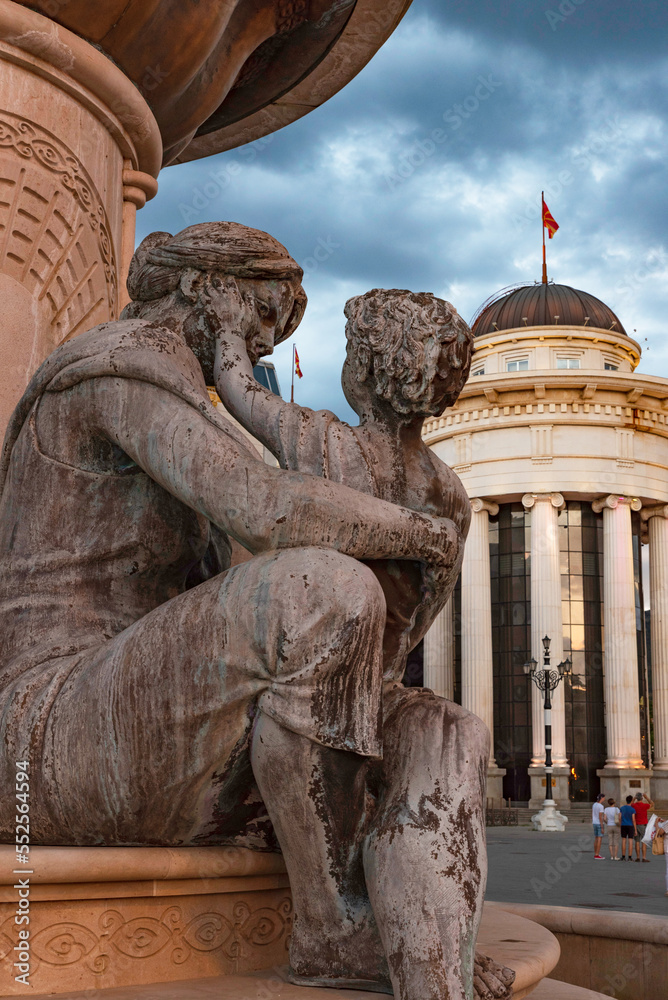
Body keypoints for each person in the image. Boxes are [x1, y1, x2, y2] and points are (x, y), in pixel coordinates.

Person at [0, 223, 513, 1000]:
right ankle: (331, 928)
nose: (268, 346)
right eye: (264, 316)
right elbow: (265, 509)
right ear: (208, 290)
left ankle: (429, 959)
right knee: (324, 591)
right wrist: (420, 533)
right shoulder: (120, 366)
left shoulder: (188, 397)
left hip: (135, 714)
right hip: (46, 729)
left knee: (444, 729)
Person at [214, 285, 473, 684]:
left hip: (310, 670)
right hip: (381, 676)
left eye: (352, 353)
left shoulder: (321, 438)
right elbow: (427, 609)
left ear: (364, 367)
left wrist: (230, 324)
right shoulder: (451, 493)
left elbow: (236, 387)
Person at [633, 791, 654, 862]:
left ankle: (638, 857)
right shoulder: (644, 805)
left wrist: (634, 798)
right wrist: (646, 797)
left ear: (637, 798)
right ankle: (644, 857)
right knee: (644, 841)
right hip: (643, 825)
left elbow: (630, 804)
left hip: (635, 825)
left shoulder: (634, 805)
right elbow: (652, 804)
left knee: (637, 841)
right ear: (642, 798)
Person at [619, 795, 637, 860]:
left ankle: (623, 856)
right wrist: (635, 829)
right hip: (630, 826)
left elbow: (619, 817)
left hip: (623, 825)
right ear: (631, 801)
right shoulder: (632, 809)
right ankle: (630, 857)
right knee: (630, 841)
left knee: (623, 841)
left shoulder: (622, 808)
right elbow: (633, 819)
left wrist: (621, 824)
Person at [592, 792, 606, 859]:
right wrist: (602, 827)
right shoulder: (601, 806)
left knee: (596, 838)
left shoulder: (594, 804)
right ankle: (597, 854)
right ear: (601, 798)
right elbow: (600, 817)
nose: (604, 799)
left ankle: (596, 853)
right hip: (599, 823)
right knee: (599, 838)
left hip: (594, 822)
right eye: (604, 798)